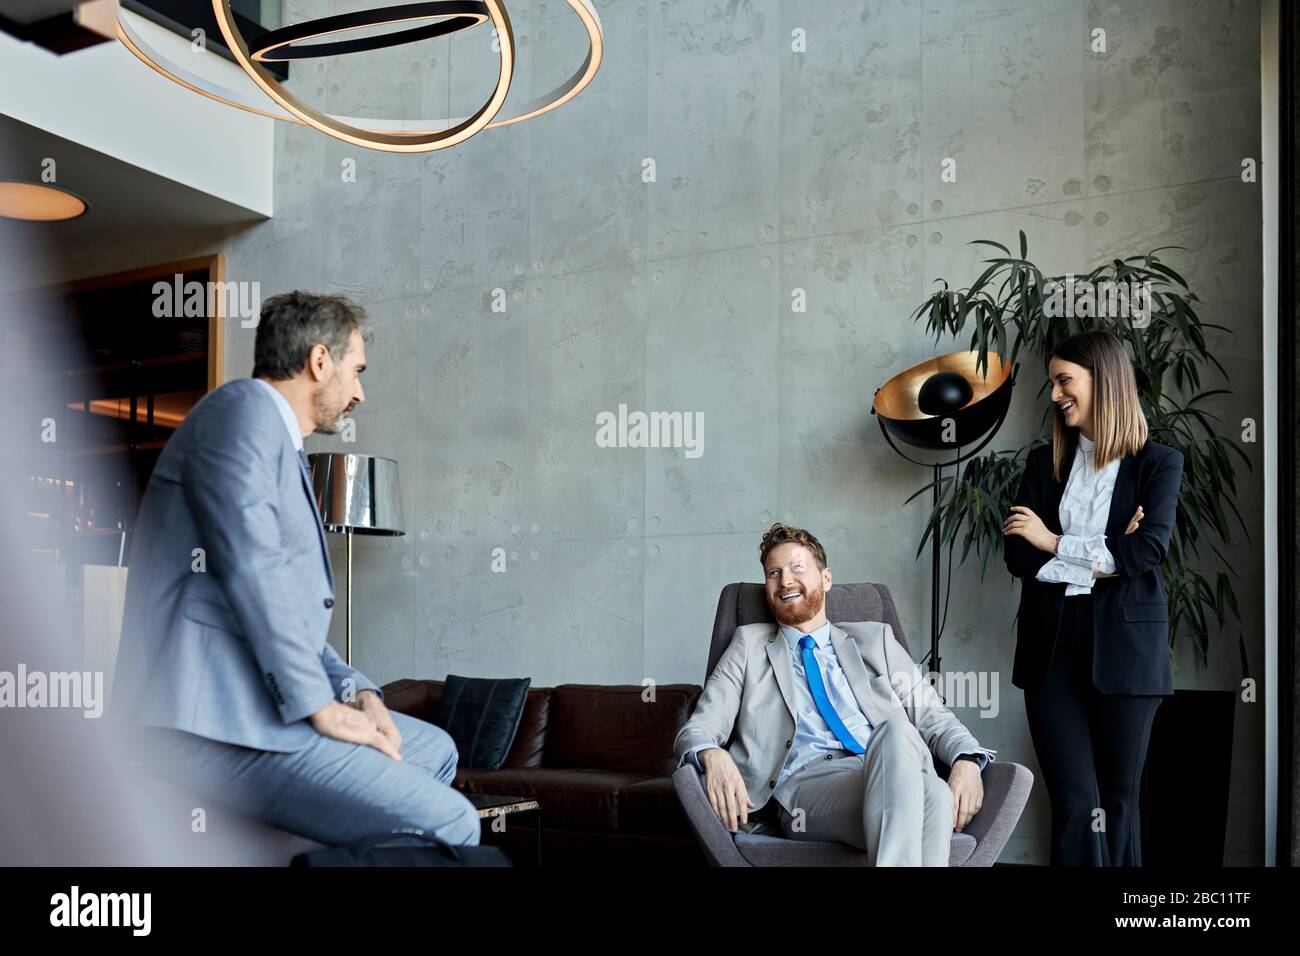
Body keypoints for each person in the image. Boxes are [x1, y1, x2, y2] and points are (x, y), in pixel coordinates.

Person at [112, 290, 480, 847]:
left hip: (250, 711)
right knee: (454, 821)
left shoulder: (276, 439)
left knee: (434, 748)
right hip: (209, 725)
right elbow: (251, 568)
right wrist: (318, 707)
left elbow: (286, 607)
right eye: (356, 371)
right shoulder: (242, 411)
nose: (360, 392)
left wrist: (359, 693)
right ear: (318, 361)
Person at [673, 523, 995, 866]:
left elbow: (934, 716)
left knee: (920, 771)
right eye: (773, 573)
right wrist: (711, 753)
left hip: (889, 765)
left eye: (798, 567)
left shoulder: (877, 640)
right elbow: (699, 727)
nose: (785, 581)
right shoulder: (748, 645)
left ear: (826, 579)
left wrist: (967, 760)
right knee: (930, 792)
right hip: (805, 790)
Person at [1003, 328, 1183, 866]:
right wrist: (1105, 554)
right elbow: (1018, 557)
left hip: (1127, 654)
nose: (1055, 395)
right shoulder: (1043, 465)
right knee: (1076, 805)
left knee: (1121, 805)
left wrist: (1055, 542)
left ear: (1103, 381)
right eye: (1053, 383)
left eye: (1064, 381)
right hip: (1052, 650)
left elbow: (1145, 552)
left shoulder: (1159, 464)